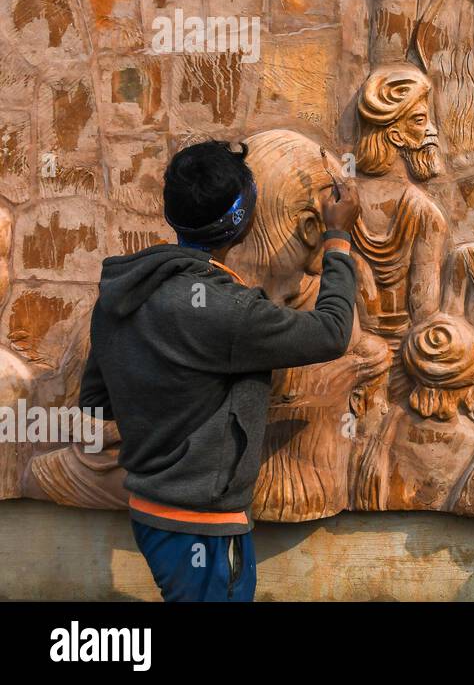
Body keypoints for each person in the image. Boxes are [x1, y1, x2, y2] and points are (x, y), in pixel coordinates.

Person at [77, 140, 360, 601]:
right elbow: (330, 332)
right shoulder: (226, 311)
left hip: (151, 512)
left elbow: (97, 400)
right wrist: (338, 239)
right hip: (202, 528)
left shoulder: (121, 293)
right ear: (243, 222)